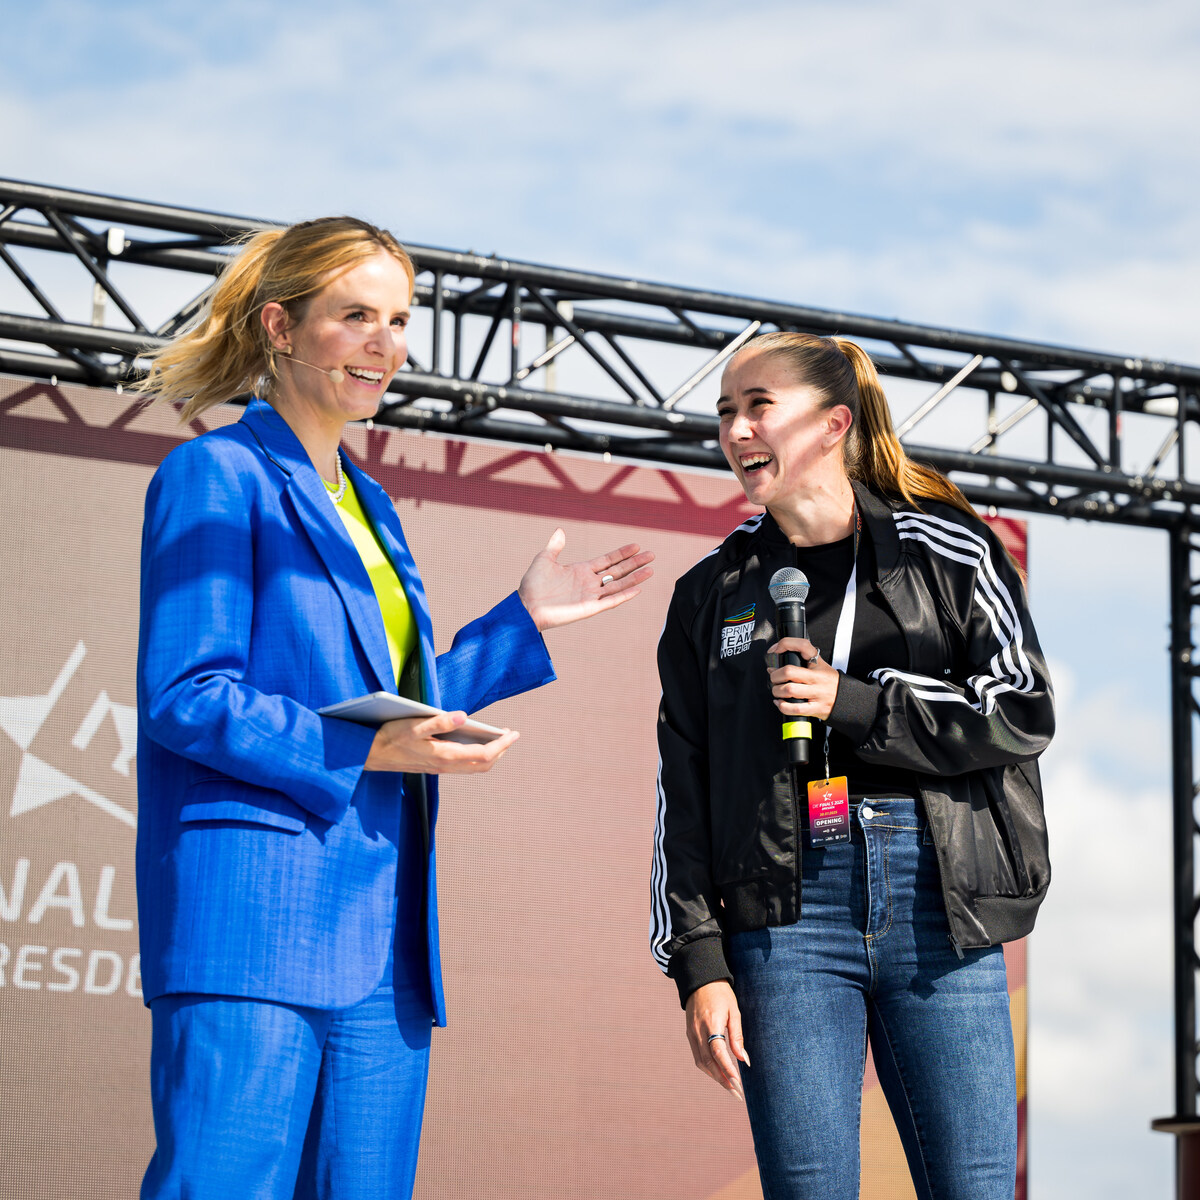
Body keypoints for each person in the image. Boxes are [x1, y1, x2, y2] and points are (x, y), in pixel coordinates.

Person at [134, 215, 653, 1200]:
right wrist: (361, 754)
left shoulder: (371, 507)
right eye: (356, 315)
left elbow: (399, 710)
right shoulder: (214, 473)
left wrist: (525, 626)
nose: (385, 342)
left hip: (385, 940)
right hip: (255, 922)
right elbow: (186, 695)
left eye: (400, 320)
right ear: (280, 328)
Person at [650, 331, 1052, 1200]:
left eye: (759, 406)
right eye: (724, 412)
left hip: (937, 895)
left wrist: (855, 701)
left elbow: (1023, 711)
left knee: (976, 1187)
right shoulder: (709, 592)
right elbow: (682, 794)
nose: (736, 430)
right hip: (782, 908)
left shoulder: (948, 549)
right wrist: (699, 962)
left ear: (833, 424)